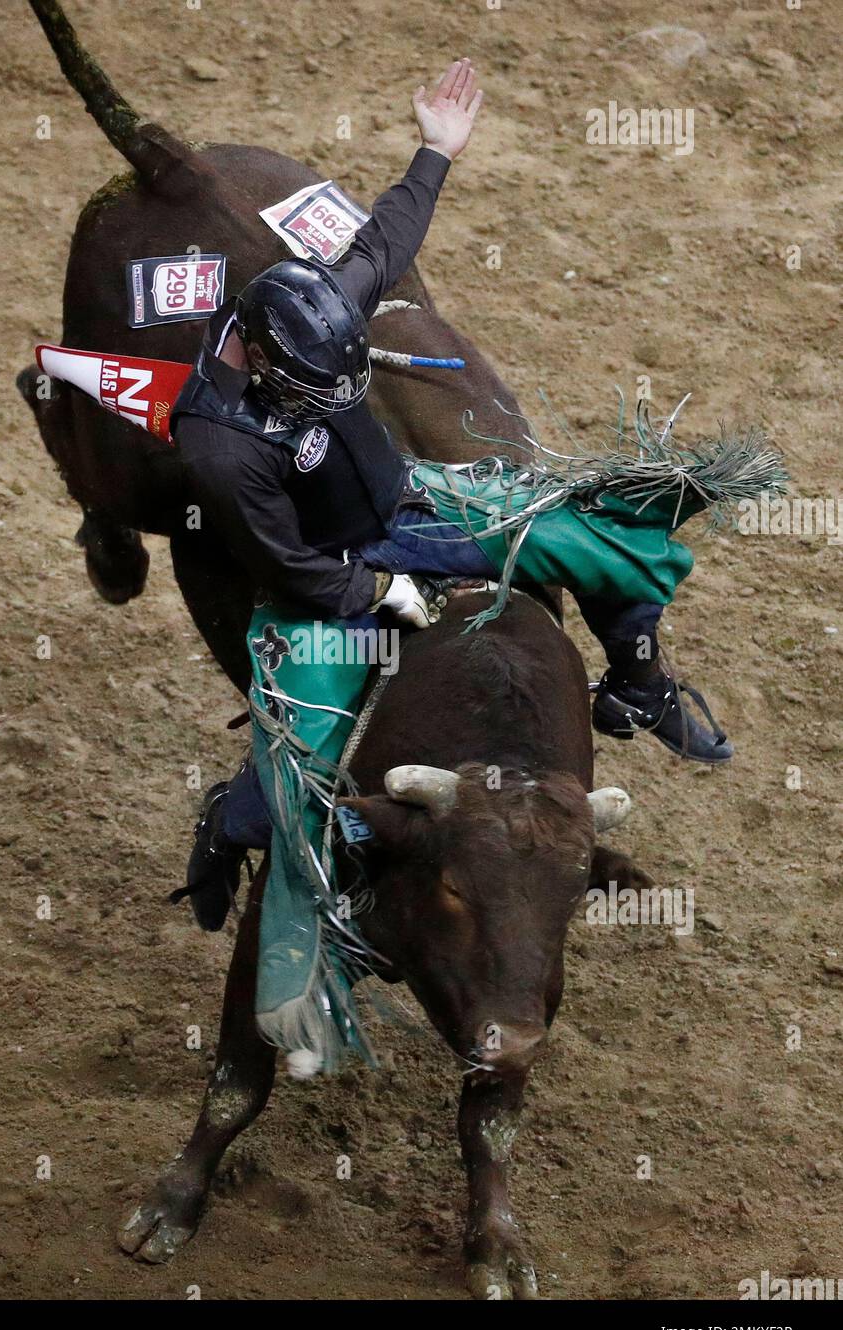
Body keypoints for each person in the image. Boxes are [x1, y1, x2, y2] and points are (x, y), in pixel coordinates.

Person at [171, 60, 731, 932]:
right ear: (264, 364)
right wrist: (376, 593)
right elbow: (287, 564)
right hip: (336, 567)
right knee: (302, 771)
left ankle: (635, 685)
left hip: (417, 504)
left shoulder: (313, 309)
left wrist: (435, 151)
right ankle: (230, 817)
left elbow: (384, 245)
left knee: (620, 540)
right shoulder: (217, 447)